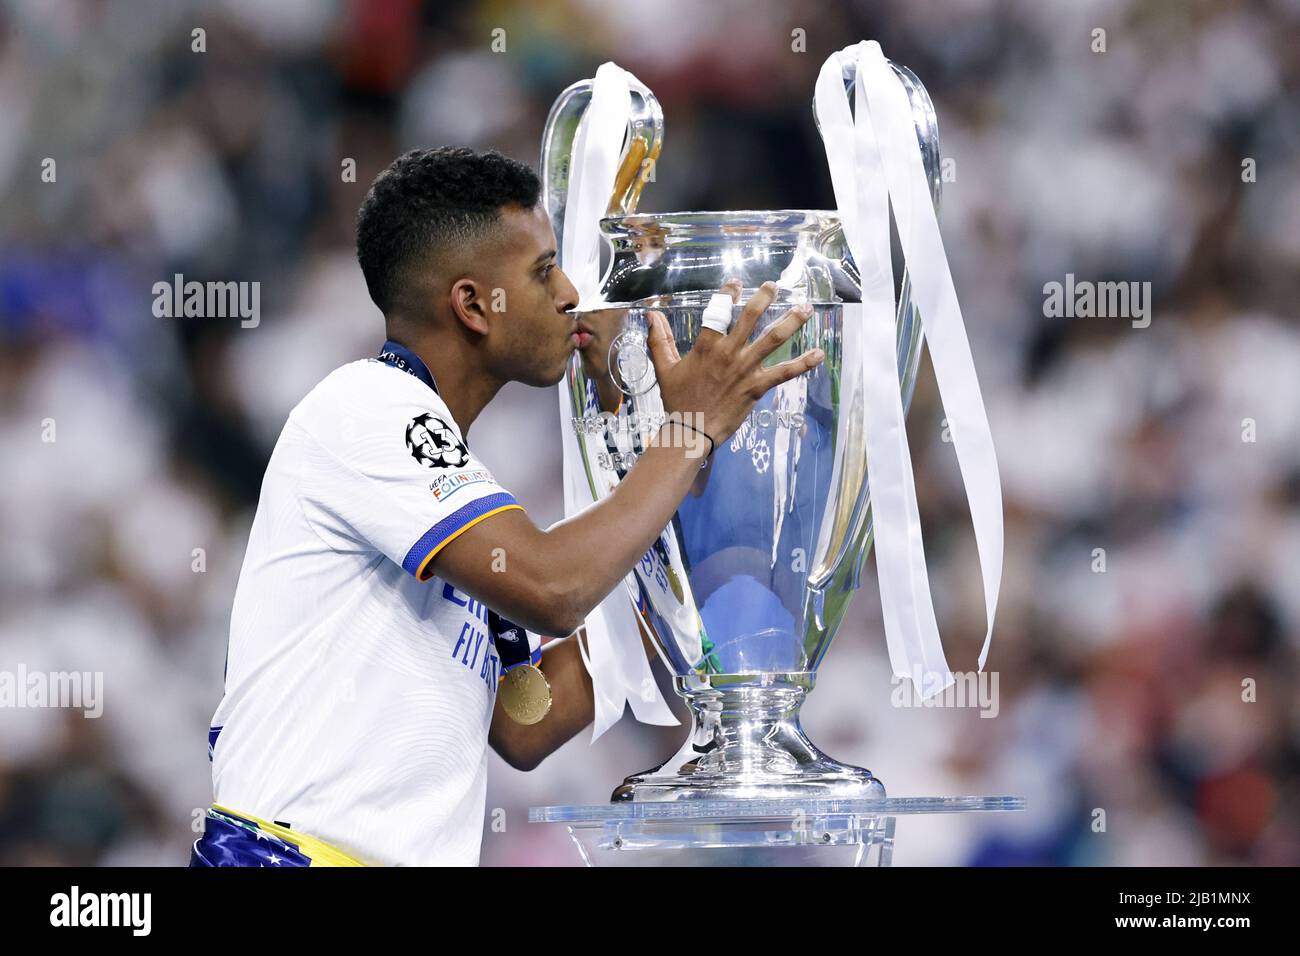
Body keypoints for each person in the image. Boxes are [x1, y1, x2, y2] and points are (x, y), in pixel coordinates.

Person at [192, 146, 822, 866]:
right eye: (542, 270)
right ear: (471, 305)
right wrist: (685, 434)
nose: (569, 294)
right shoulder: (367, 408)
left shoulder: (452, 489)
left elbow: (527, 719)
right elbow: (554, 589)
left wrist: (699, 580)